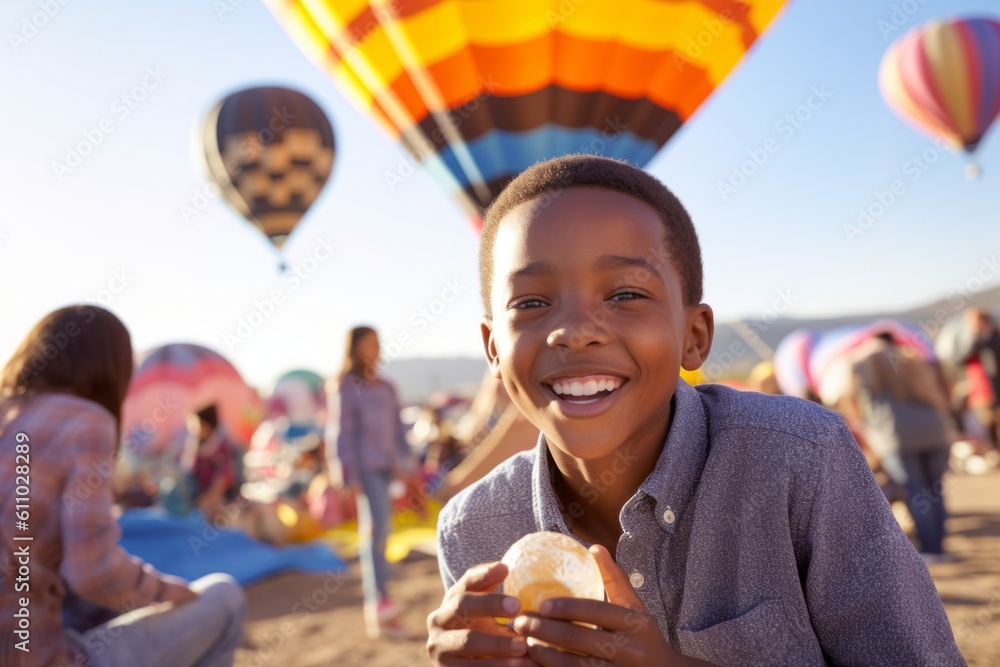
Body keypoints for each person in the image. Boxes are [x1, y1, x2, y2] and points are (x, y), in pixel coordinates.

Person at [426, 156, 964, 666]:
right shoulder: (473, 532)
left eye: (625, 294)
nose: (575, 331)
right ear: (493, 348)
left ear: (694, 336)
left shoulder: (800, 459)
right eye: (532, 303)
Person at [0, 305, 245, 667]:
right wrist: (168, 591)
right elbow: (92, 573)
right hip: (34, 656)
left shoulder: (8, 412)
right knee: (224, 596)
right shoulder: (87, 420)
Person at [326, 325, 417, 639]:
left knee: (383, 531)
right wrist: (347, 475)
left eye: (379, 342)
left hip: (389, 468)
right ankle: (378, 602)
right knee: (377, 530)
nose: (377, 348)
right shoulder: (346, 387)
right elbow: (342, 433)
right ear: (356, 348)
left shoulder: (387, 387)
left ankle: (380, 599)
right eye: (371, 343)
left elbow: (399, 429)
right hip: (365, 470)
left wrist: (408, 465)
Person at [849, 332, 958, 563]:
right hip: (936, 431)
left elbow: (862, 407)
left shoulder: (863, 365)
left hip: (897, 436)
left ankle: (930, 549)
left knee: (916, 491)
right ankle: (938, 546)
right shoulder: (914, 359)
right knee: (934, 490)